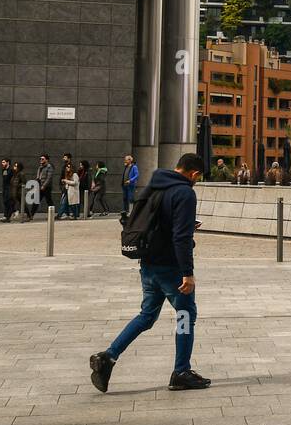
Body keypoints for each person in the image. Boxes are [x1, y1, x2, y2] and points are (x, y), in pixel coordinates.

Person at [90, 153, 210, 393]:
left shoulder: (155, 186)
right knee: (186, 314)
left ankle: (108, 357)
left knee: (146, 315)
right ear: (194, 174)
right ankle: (181, 371)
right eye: (198, 177)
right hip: (172, 267)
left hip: (148, 263)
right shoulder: (185, 192)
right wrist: (188, 273)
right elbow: (181, 237)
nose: (196, 181)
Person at [29, 154, 53, 221]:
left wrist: (44, 186)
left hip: (46, 187)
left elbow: (49, 178)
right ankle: (31, 215)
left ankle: (51, 215)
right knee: (36, 201)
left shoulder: (49, 167)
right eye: (40, 159)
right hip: (40, 186)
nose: (41, 160)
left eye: (43, 159)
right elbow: (38, 176)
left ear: (47, 160)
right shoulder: (40, 167)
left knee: (49, 201)